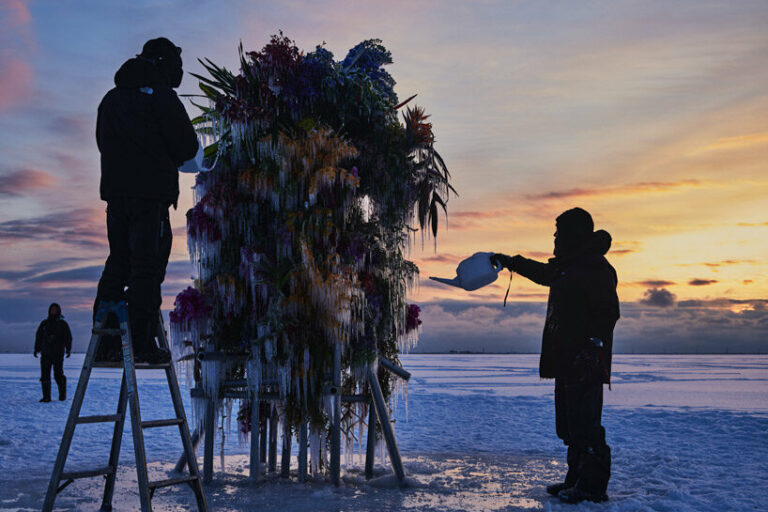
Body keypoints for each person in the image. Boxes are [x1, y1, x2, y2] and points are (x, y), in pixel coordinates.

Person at [492, 207, 619, 504]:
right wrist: (511, 262)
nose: (554, 237)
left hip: (585, 361)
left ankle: (592, 486)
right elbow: (542, 273)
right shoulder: (569, 265)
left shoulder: (595, 268)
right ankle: (575, 478)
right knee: (570, 424)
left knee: (586, 425)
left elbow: (608, 312)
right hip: (566, 358)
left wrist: (594, 346)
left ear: (573, 234)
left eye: (559, 232)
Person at [94, 37, 198, 363]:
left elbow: (103, 143)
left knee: (118, 264)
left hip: (116, 198)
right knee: (147, 268)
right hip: (150, 198)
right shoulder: (162, 98)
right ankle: (140, 343)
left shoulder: (111, 99)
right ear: (164, 64)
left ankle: (105, 343)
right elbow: (186, 148)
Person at [34, 303, 72, 402]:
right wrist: (36, 349)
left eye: (55, 309)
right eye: (52, 309)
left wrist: (68, 349)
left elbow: (68, 337)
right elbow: (39, 336)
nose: (53, 311)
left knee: (58, 375)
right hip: (46, 353)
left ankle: (62, 395)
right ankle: (46, 397)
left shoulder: (63, 324)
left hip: (58, 353)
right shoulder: (44, 324)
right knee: (45, 375)